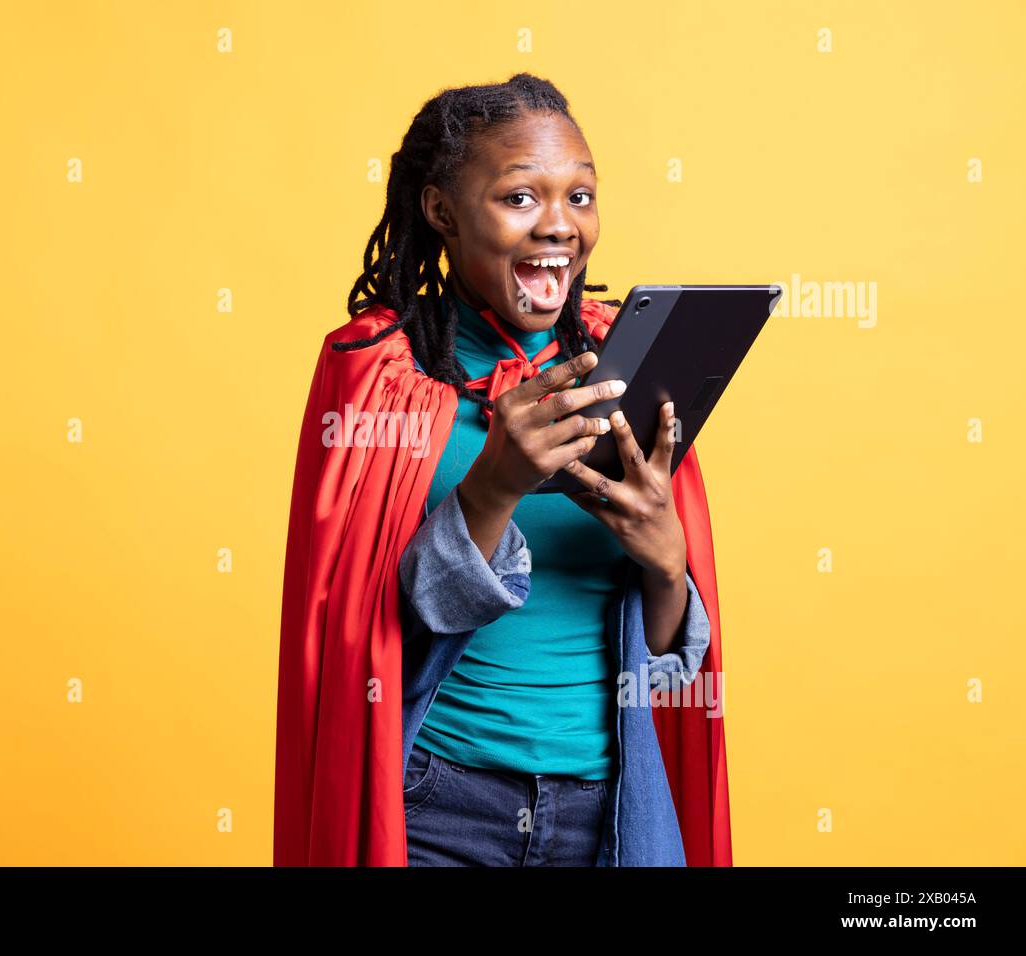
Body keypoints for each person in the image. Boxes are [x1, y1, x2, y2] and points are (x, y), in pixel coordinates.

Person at [274, 72, 730, 867]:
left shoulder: (625, 363)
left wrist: (665, 562)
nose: (558, 226)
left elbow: (665, 679)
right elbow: (373, 638)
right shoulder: (380, 374)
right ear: (442, 211)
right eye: (520, 198)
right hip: (436, 811)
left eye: (580, 197)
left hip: (612, 811)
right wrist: (493, 487)